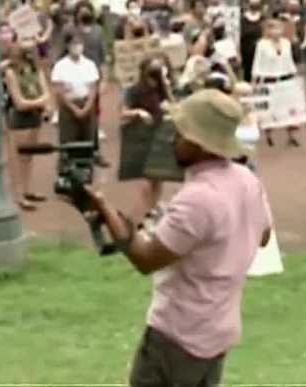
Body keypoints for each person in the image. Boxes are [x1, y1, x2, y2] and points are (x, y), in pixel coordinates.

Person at [85, 89, 272, 387]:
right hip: (217, 329)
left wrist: (104, 209)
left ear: (200, 144)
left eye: (181, 133)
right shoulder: (246, 180)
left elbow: (145, 259)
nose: (173, 139)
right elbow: (263, 236)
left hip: (178, 334)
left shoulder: (198, 199)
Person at [121, 55, 175, 218]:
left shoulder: (161, 89)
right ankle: (145, 211)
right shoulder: (133, 90)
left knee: (158, 177)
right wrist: (138, 112)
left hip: (159, 136)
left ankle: (153, 207)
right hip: (141, 137)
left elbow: (173, 105)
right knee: (145, 178)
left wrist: (166, 90)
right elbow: (123, 112)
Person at [3, 39, 50, 212]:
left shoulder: (36, 70)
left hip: (34, 116)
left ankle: (27, 189)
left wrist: (36, 102)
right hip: (18, 118)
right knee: (17, 157)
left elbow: (46, 93)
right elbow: (19, 102)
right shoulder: (10, 72)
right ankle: (18, 194)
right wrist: (38, 102)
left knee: (29, 156)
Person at [51, 33, 102, 162]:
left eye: (79, 44)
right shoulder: (60, 66)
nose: (77, 47)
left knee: (88, 140)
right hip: (68, 106)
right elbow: (59, 91)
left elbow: (93, 88)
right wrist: (74, 109)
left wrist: (87, 107)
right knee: (69, 142)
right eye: (74, 44)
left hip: (86, 104)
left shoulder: (89, 64)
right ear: (68, 46)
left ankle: (87, 165)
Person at [251, 18, 301, 147]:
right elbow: (257, 63)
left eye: (279, 28)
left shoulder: (286, 43)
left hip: (286, 79)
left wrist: (294, 75)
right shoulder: (262, 44)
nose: (277, 31)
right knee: (269, 110)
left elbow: (290, 60)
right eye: (273, 28)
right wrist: (255, 81)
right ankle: (269, 136)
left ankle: (291, 136)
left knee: (290, 108)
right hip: (269, 80)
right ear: (268, 30)